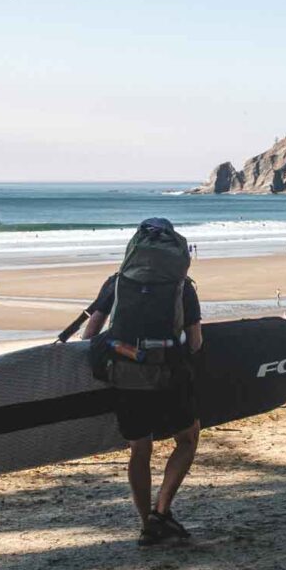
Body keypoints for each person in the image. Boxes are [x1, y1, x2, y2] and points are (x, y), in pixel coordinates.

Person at [78, 218, 203, 546]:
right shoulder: (182, 285)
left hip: (124, 376)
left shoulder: (117, 282)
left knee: (140, 449)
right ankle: (163, 511)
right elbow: (195, 342)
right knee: (187, 438)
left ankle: (145, 522)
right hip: (168, 378)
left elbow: (89, 334)